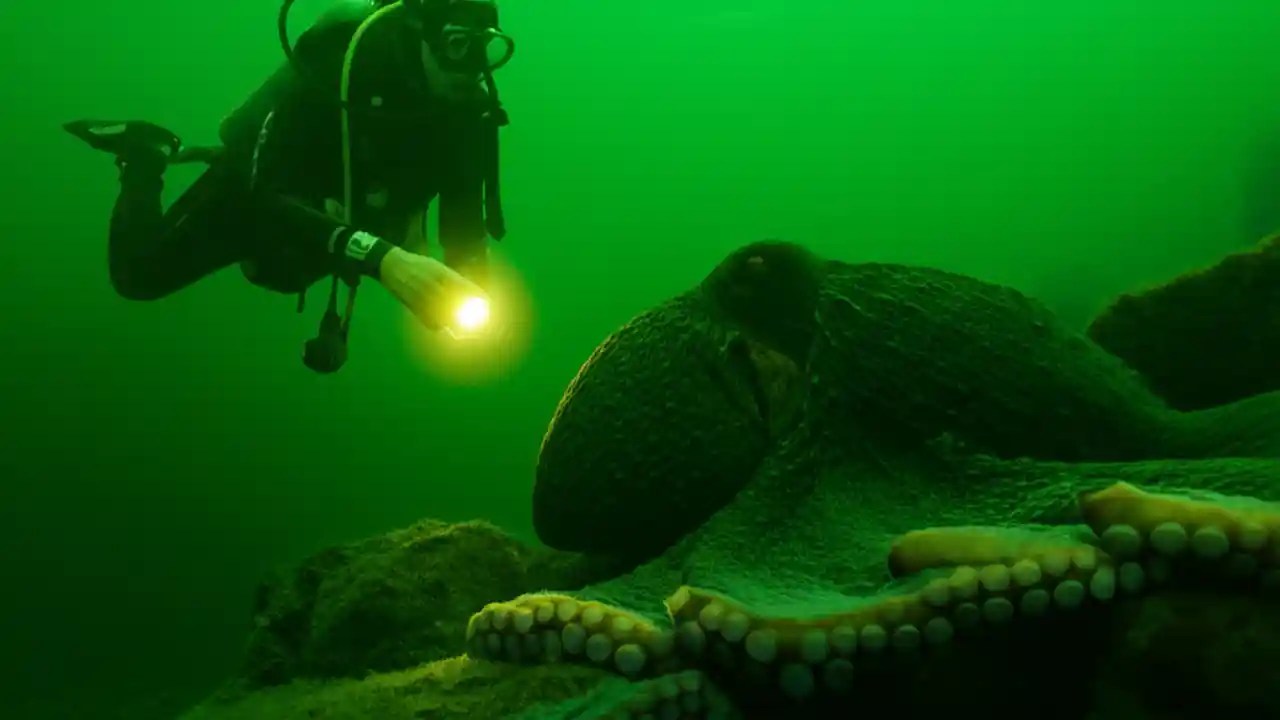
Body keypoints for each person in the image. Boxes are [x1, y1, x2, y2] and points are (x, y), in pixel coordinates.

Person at [64, 0, 515, 373]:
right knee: (137, 275)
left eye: (487, 50)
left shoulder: (466, 116)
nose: (472, 67)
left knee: (290, 268)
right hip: (255, 196)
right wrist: (383, 260)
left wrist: (478, 300)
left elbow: (463, 234)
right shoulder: (340, 69)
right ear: (421, 33)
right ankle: (146, 154)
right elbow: (265, 193)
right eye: (458, 45)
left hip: (337, 233)